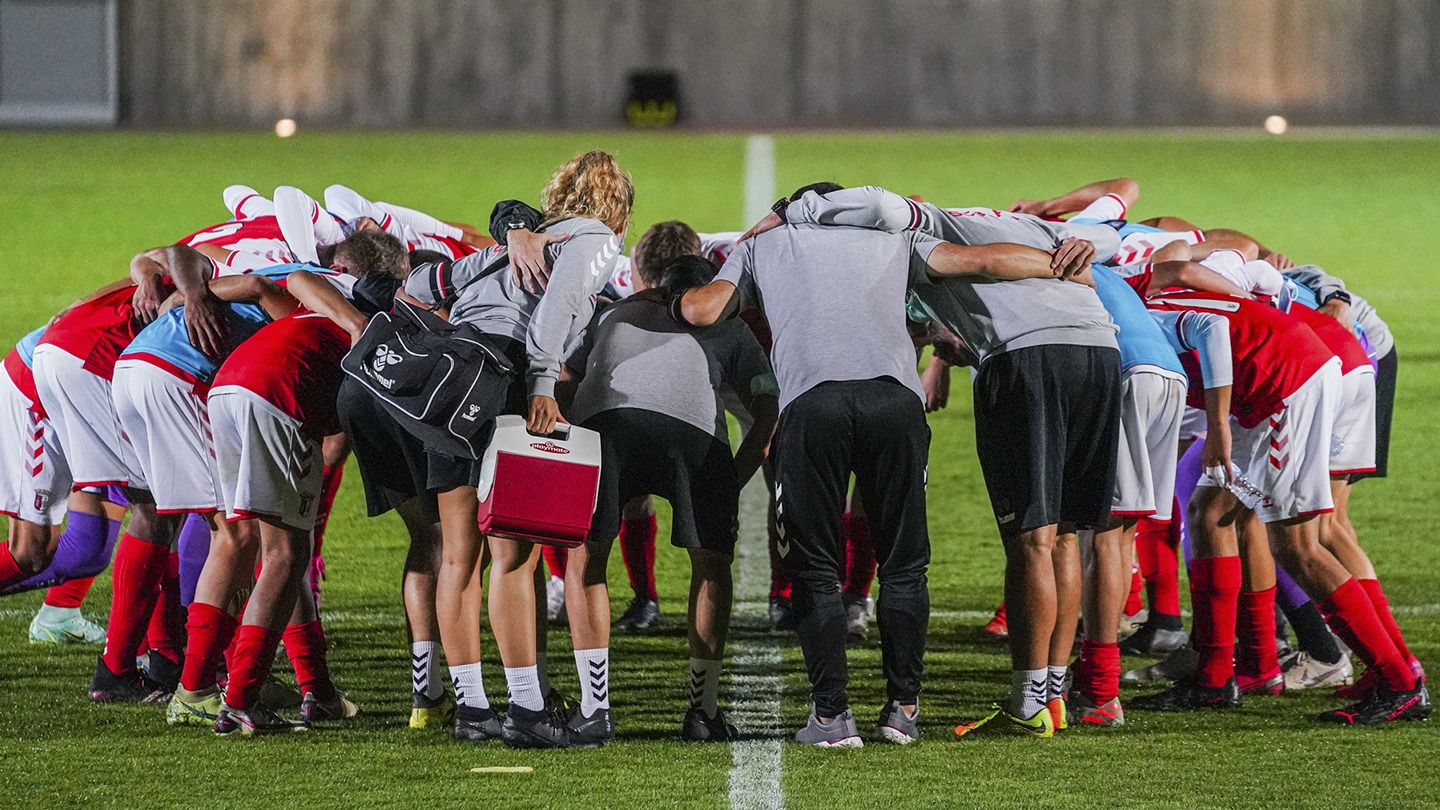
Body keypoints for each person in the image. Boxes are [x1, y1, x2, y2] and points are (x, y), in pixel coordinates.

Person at [675, 182, 1097, 746]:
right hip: (895, 406)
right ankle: (903, 710)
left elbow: (703, 311)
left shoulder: (765, 247)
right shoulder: (896, 238)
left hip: (814, 404)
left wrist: (677, 297)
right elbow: (988, 259)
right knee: (904, 564)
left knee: (815, 566)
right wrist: (1062, 266)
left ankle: (831, 717)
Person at [381, 150, 632, 749]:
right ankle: (526, 709)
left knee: (458, 555)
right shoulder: (595, 237)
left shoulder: (515, 242)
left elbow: (419, 287)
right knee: (512, 553)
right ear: (617, 208)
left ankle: (471, 707)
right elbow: (560, 305)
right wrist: (544, 381)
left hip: (450, 380)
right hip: (504, 382)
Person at [1134, 285, 1429, 724]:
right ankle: (1215, 678)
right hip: (1283, 381)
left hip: (1291, 385)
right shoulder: (1138, 297)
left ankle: (1399, 683)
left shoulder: (1128, 316)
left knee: (1298, 543)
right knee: (1209, 513)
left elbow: (1213, 323)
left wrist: (1216, 426)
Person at [558, 253, 777, 744]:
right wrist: (736, 474)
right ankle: (703, 712)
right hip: (696, 436)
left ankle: (595, 712)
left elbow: (564, 378)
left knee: (586, 561)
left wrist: (574, 443)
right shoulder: (731, 325)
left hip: (607, 428)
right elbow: (768, 404)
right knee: (712, 564)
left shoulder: (613, 313)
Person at [204, 229, 408, 735]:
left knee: (279, 550)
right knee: (284, 556)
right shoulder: (378, 334)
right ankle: (239, 700)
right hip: (275, 399)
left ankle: (313, 688)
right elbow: (339, 440)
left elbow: (293, 280)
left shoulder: (315, 313)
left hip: (227, 391)